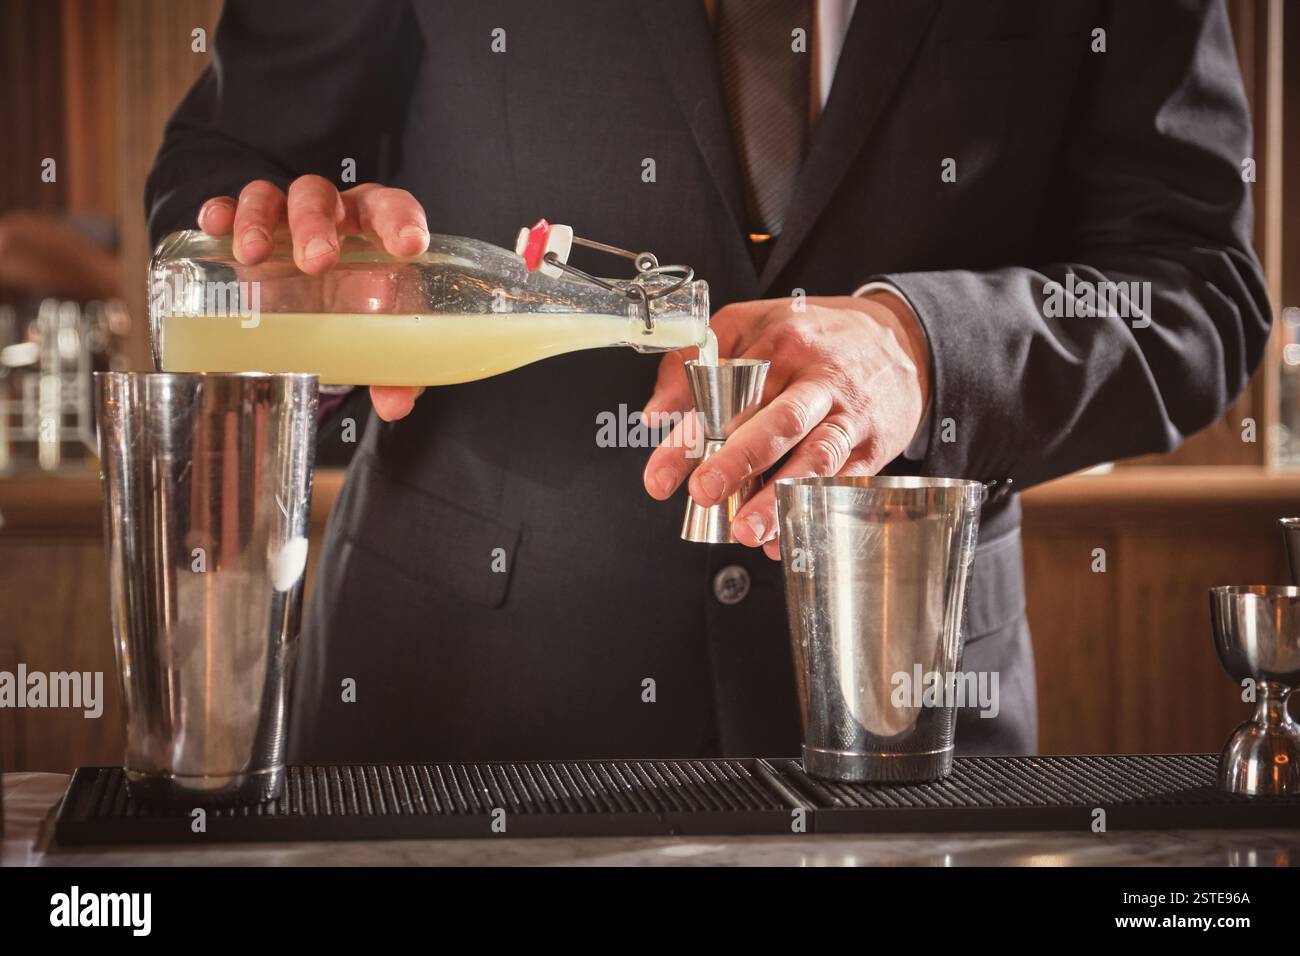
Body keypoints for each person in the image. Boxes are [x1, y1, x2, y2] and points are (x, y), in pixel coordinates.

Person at [146, 0, 1270, 762]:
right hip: (468, 704)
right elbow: (228, 162)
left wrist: (921, 350)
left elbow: (1198, 284)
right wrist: (299, 269)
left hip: (902, 716)